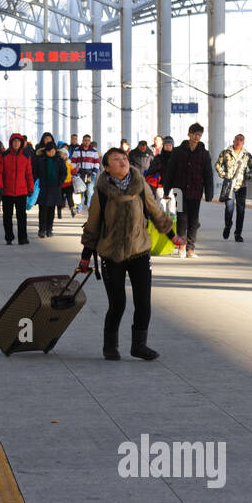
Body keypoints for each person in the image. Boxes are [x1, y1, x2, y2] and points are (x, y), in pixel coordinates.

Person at [76, 149, 177, 360]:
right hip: (111, 254)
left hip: (139, 251)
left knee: (143, 303)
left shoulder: (140, 185)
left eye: (124, 158)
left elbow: (156, 211)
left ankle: (139, 345)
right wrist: (86, 257)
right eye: (116, 159)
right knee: (117, 303)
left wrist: (172, 236)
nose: (122, 161)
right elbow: (93, 226)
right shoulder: (101, 193)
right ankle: (110, 346)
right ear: (106, 167)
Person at [162, 123, 214, 258]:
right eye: (195, 134)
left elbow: (208, 174)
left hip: (196, 190)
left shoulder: (204, 153)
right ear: (189, 134)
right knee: (182, 218)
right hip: (179, 190)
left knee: (194, 220)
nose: (197, 137)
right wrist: (166, 190)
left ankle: (191, 249)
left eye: (199, 135)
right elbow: (170, 172)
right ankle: (182, 245)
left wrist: (209, 193)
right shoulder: (178, 152)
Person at [214, 134, 252, 242]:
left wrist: (247, 176)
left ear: (243, 142)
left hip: (242, 186)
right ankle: (228, 226)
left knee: (241, 210)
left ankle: (238, 233)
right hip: (229, 186)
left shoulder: (247, 155)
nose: (238, 141)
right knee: (229, 208)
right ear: (233, 141)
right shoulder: (226, 153)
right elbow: (217, 165)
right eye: (237, 139)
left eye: (241, 140)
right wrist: (224, 175)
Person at [0, 132, 34, 245]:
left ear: (22, 143)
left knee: (21, 216)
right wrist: (0, 187)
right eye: (14, 141)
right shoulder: (4, 156)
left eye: (18, 141)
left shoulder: (25, 157)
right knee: (7, 216)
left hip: (21, 191)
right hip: (7, 191)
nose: (16, 143)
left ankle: (23, 238)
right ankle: (9, 237)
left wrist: (30, 188)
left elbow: (29, 174)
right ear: (11, 143)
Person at [32, 133, 64, 238]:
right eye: (49, 151)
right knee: (43, 210)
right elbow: (35, 172)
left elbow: (63, 173)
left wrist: (60, 182)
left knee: (51, 210)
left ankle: (49, 229)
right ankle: (42, 229)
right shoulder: (40, 160)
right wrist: (37, 181)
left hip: (54, 188)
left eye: (53, 151)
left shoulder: (59, 160)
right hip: (43, 188)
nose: (51, 153)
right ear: (46, 151)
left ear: (55, 151)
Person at [57, 146, 76, 218]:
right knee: (60, 198)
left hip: (68, 183)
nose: (62, 156)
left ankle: (72, 209)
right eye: (61, 154)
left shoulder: (69, 162)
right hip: (60, 183)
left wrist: (75, 171)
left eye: (63, 154)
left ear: (66, 155)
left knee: (69, 197)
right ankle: (59, 212)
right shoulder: (58, 162)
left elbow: (72, 171)